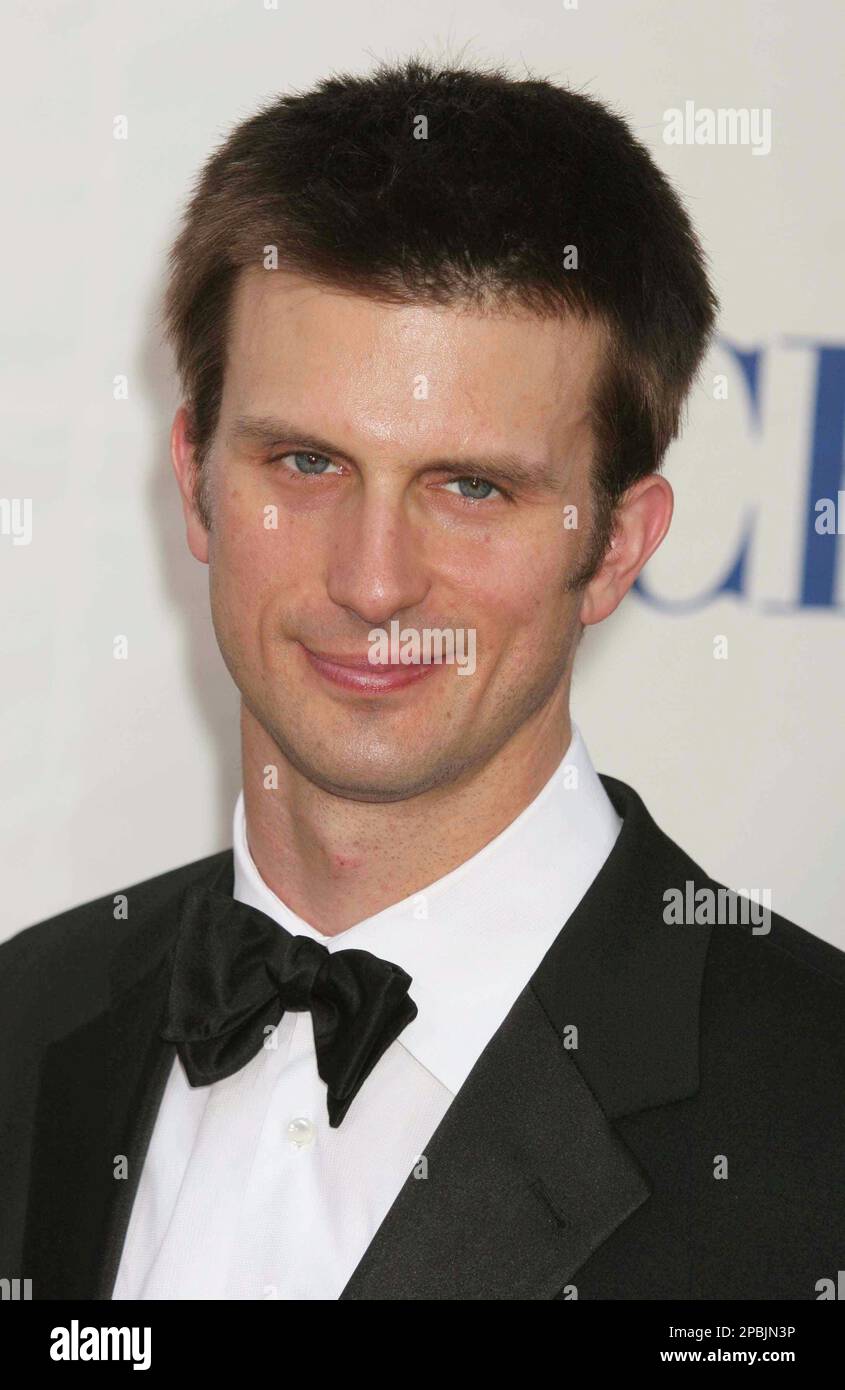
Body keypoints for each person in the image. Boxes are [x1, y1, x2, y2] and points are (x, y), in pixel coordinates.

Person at [2, 57, 843, 1302]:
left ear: (616, 547)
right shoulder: (27, 1018)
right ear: (194, 481)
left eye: (471, 487)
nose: (373, 581)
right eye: (304, 462)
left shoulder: (814, 1124)